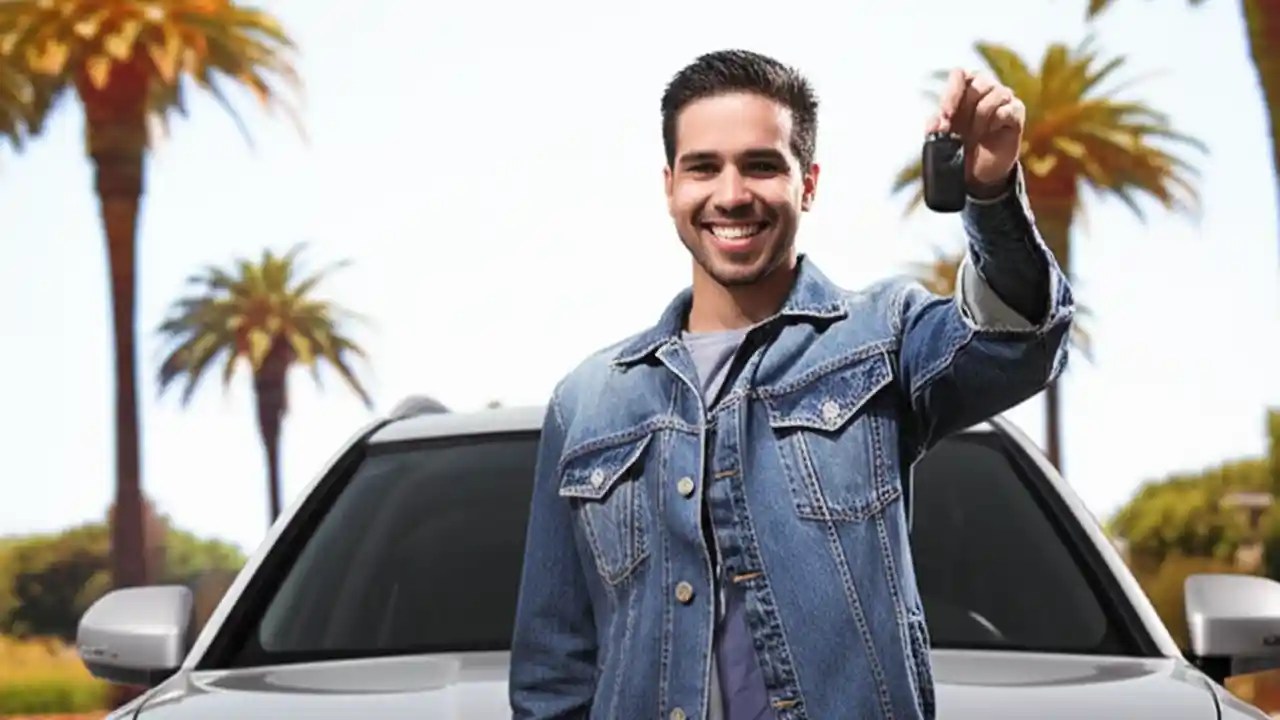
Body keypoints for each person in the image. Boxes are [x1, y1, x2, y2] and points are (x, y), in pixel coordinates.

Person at [509, 49, 1073, 720]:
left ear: (807, 184)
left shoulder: (881, 336)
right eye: (703, 167)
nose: (731, 194)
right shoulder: (588, 403)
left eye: (760, 165)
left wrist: (988, 192)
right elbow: (553, 675)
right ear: (670, 188)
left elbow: (1016, 342)